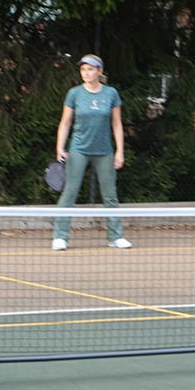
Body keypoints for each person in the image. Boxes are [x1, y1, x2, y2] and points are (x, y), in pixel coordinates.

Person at [52, 54, 131, 250]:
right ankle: (60, 237)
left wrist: (120, 151)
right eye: (83, 69)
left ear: (99, 71)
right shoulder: (74, 93)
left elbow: (116, 123)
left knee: (110, 194)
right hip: (78, 149)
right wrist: (60, 147)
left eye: (90, 69)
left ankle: (115, 237)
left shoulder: (111, 93)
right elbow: (65, 122)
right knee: (70, 192)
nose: (86, 73)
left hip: (104, 151)